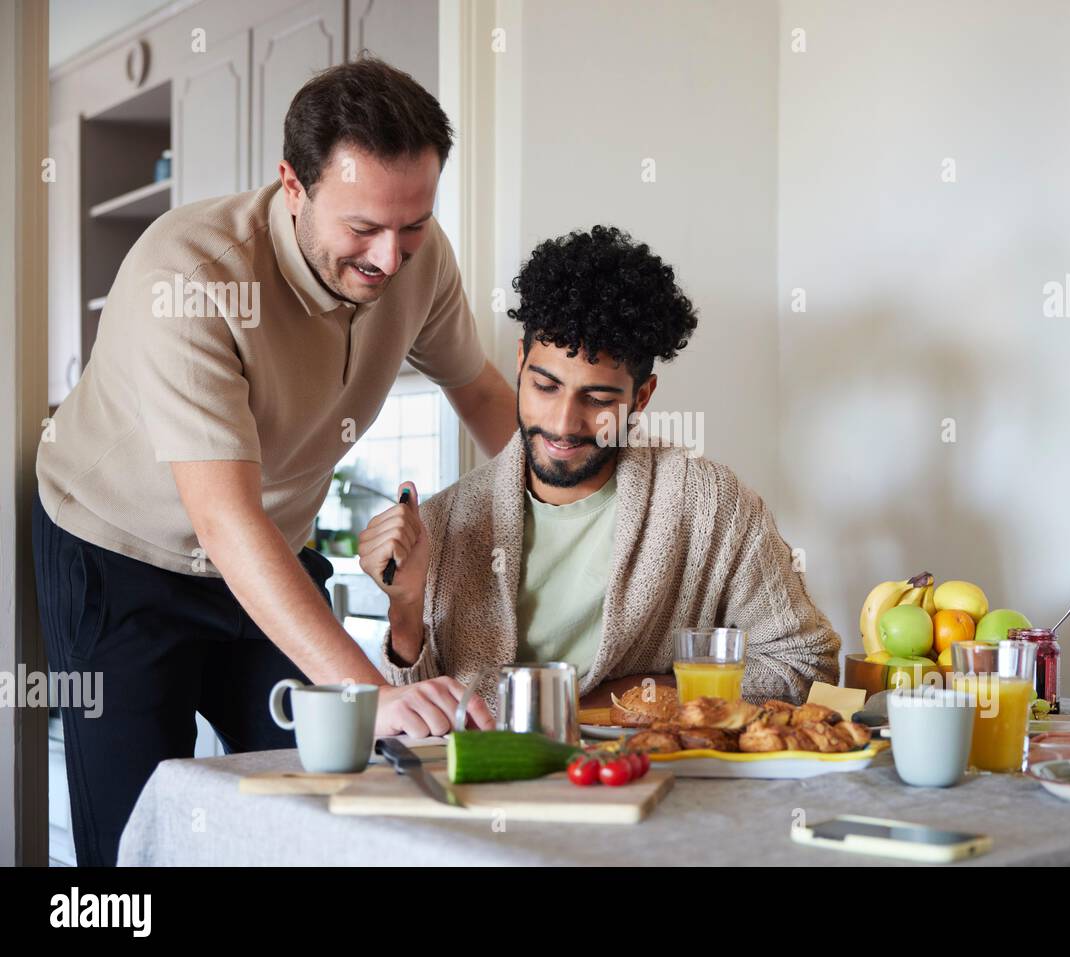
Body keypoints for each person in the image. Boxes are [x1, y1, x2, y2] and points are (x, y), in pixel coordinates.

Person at [33, 58, 506, 867]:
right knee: (135, 837)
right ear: (293, 184)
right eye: (362, 228)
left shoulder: (416, 260)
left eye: (414, 225)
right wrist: (373, 691)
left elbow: (483, 392)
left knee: (333, 799)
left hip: (269, 551)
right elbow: (223, 518)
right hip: (122, 554)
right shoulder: (193, 277)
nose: (391, 259)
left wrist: (596, 506)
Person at [359, 225, 841, 713]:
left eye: (597, 398)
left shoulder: (712, 506)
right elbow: (413, 712)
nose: (564, 424)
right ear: (521, 363)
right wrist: (406, 604)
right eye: (546, 387)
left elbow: (804, 662)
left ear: (642, 397)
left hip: (649, 776)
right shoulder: (443, 522)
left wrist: (645, 692)